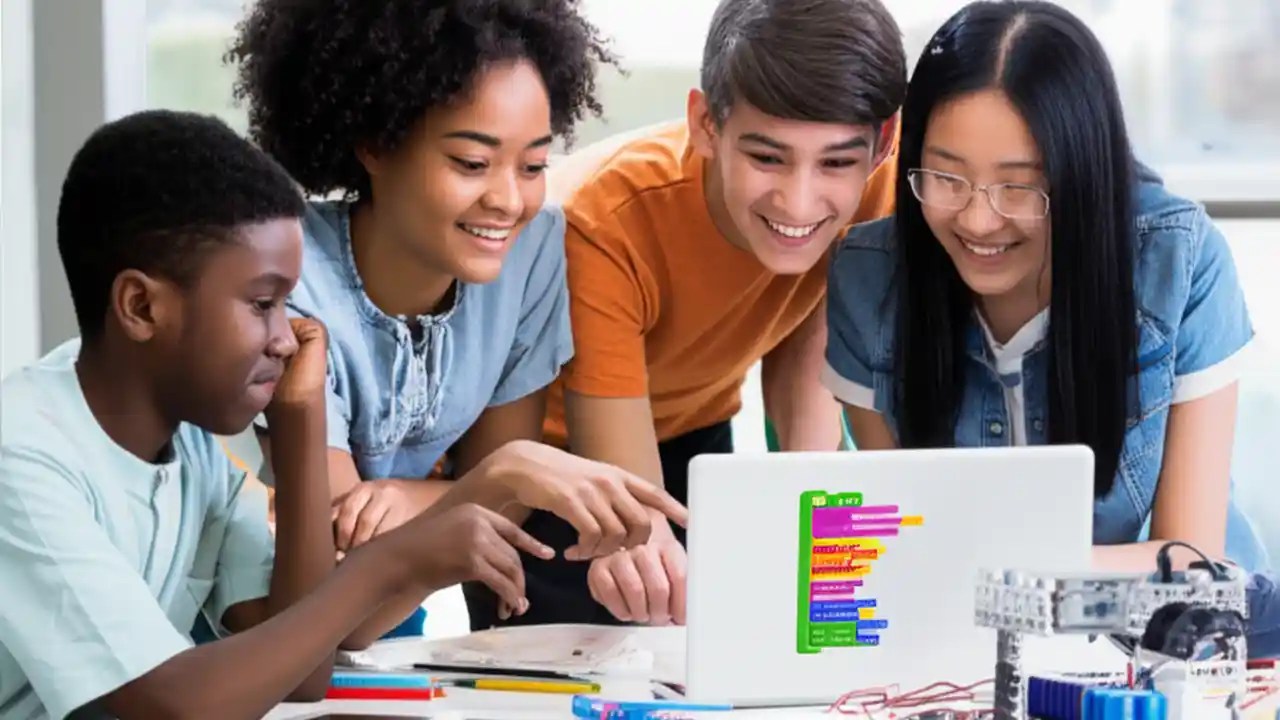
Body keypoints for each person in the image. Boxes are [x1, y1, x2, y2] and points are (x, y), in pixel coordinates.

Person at [0, 110, 586, 720]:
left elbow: (301, 672)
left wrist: (303, 422)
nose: (289, 338)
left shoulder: (189, 446)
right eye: (262, 303)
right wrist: (395, 560)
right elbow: (173, 704)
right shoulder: (23, 455)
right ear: (141, 307)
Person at [227, 0, 684, 632]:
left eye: (532, 167)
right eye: (471, 163)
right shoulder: (290, 281)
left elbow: (500, 513)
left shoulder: (534, 253)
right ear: (374, 143)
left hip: (393, 605)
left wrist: (428, 495)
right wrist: (505, 478)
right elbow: (330, 572)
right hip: (250, 624)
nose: (507, 200)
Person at [491, 0, 909, 631]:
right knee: (626, 624)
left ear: (882, 143)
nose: (799, 200)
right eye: (766, 157)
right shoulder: (605, 223)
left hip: (696, 426)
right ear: (705, 124)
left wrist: (814, 507)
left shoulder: (878, 181)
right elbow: (629, 503)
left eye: (835, 162)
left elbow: (810, 319)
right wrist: (646, 540)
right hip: (557, 458)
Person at [822, 0, 1269, 575]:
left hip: (1179, 639)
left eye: (1019, 188)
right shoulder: (870, 278)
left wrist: (1001, 573)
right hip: (968, 646)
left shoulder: (1176, 261)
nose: (978, 221)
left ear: (1082, 175)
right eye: (946, 177)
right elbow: (903, 534)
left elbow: (1188, 559)